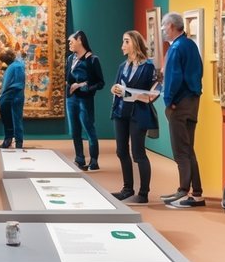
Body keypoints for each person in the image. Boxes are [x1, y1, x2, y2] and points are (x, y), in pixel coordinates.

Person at [160, 12, 205, 208]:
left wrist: (169, 100)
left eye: (163, 26)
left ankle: (183, 190)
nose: (162, 30)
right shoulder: (191, 45)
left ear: (171, 26)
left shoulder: (176, 47)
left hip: (179, 104)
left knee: (180, 150)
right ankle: (196, 193)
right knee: (188, 148)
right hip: (193, 100)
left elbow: (173, 77)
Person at [108, 30, 158, 203]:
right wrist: (113, 89)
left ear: (135, 43)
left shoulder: (148, 66)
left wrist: (137, 94)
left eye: (126, 41)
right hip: (121, 112)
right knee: (121, 151)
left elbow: (153, 92)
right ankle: (127, 189)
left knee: (138, 153)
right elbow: (116, 85)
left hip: (138, 113)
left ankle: (143, 193)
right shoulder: (123, 66)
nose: (122, 45)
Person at [66, 30, 105, 170]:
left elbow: (100, 83)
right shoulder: (70, 59)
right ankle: (79, 159)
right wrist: (70, 86)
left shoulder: (92, 59)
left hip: (85, 99)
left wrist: (82, 85)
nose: (69, 43)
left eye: (72, 41)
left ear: (80, 40)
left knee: (89, 129)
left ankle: (94, 161)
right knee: (74, 131)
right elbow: (68, 79)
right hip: (71, 99)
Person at [0, 48, 26, 149]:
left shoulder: (12, 67)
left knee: (7, 119)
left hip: (10, 95)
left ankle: (9, 140)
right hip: (18, 94)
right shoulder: (19, 65)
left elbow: (6, 84)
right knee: (16, 119)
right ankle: (18, 142)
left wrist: (1, 96)